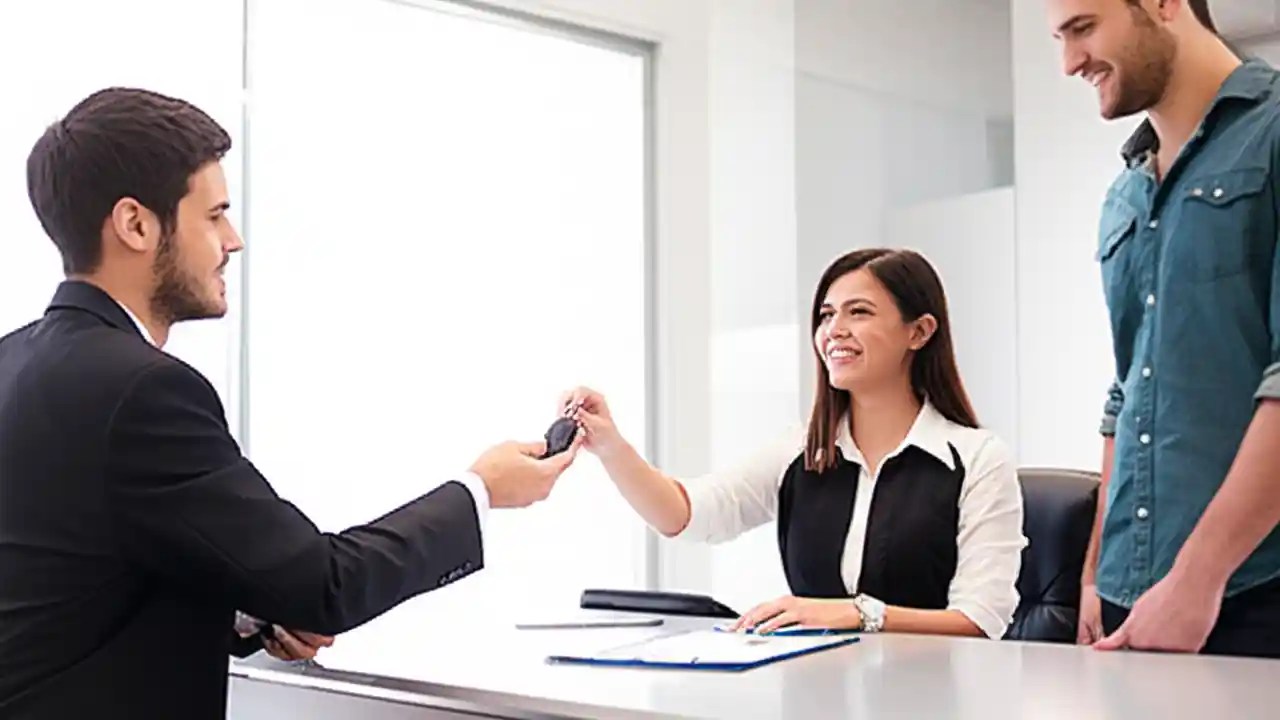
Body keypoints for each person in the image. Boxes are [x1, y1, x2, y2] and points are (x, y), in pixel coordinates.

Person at [0, 87, 580, 718]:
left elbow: (66, 586)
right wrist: (481, 489)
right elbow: (324, 585)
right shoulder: (145, 391)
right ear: (136, 224)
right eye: (214, 214)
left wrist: (249, 613)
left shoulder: (13, 362)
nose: (234, 239)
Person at [561, 248, 1026, 639]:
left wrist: (860, 614)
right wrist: (611, 446)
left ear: (919, 332)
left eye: (858, 312)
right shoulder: (800, 453)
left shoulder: (977, 460)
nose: (834, 330)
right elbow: (684, 515)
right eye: (826, 315)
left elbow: (980, 620)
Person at [1047, 0, 1280, 657]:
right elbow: (1127, 392)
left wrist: (1197, 579)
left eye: (1083, 28)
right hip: (1129, 595)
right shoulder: (1123, 195)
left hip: (1249, 595)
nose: (1068, 63)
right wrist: (1095, 572)